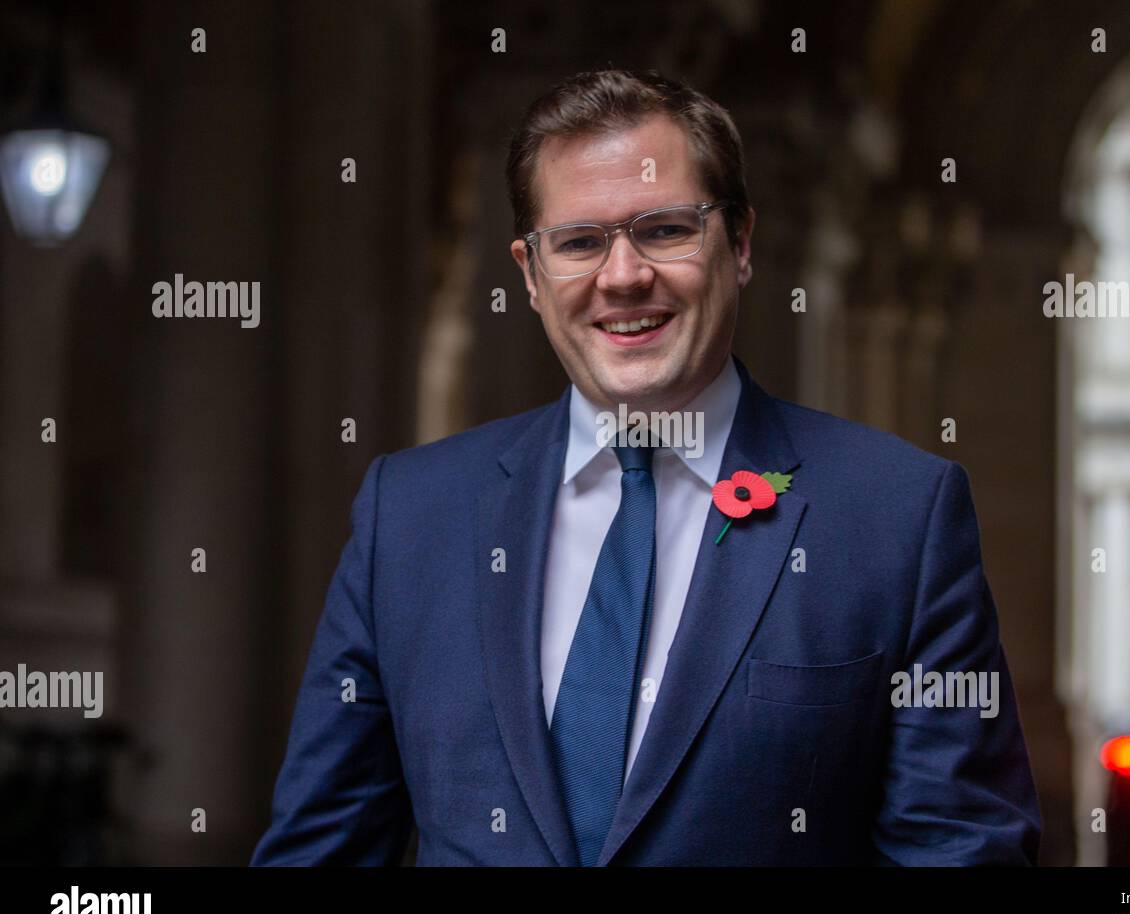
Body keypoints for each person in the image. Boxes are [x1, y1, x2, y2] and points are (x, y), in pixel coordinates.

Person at [250, 68, 1041, 866]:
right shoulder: (411, 514)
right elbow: (324, 850)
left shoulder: (899, 515)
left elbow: (960, 850)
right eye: (580, 242)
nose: (622, 276)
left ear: (739, 245)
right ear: (529, 274)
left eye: (665, 230)